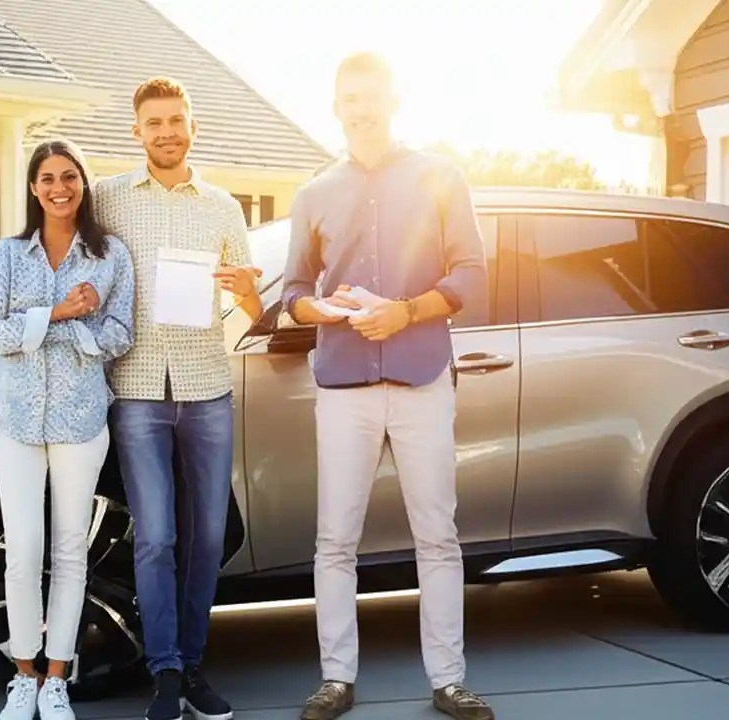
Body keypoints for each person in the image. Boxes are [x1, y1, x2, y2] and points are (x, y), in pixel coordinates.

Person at [0, 77, 262, 720]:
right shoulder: (104, 198)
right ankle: (162, 674)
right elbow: (48, 226)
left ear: (192, 125)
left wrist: (247, 291)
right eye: (154, 122)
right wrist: (7, 307)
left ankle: (191, 667)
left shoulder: (222, 208)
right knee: (154, 537)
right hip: (133, 391)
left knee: (206, 539)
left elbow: (249, 309)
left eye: (176, 120)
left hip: (206, 383)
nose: (166, 132)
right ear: (137, 131)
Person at [281, 52, 494, 720]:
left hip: (423, 378)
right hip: (343, 386)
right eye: (350, 99)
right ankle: (335, 678)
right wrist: (323, 310)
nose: (361, 109)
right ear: (337, 107)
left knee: (436, 535)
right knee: (334, 541)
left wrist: (406, 311)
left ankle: (449, 681)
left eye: (371, 97)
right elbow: (291, 293)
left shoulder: (440, 177)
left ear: (394, 99)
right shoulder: (314, 194)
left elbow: (472, 276)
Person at [0, 139, 136, 720]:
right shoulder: (9, 252)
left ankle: (56, 681)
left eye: (68, 176)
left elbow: (120, 335)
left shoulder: (110, 254)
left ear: (82, 184)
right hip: (16, 418)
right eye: (47, 178)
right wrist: (65, 314)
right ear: (33, 187)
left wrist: (43, 326)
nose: (58, 187)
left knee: (71, 552)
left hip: (80, 419)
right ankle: (22, 676)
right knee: (22, 552)